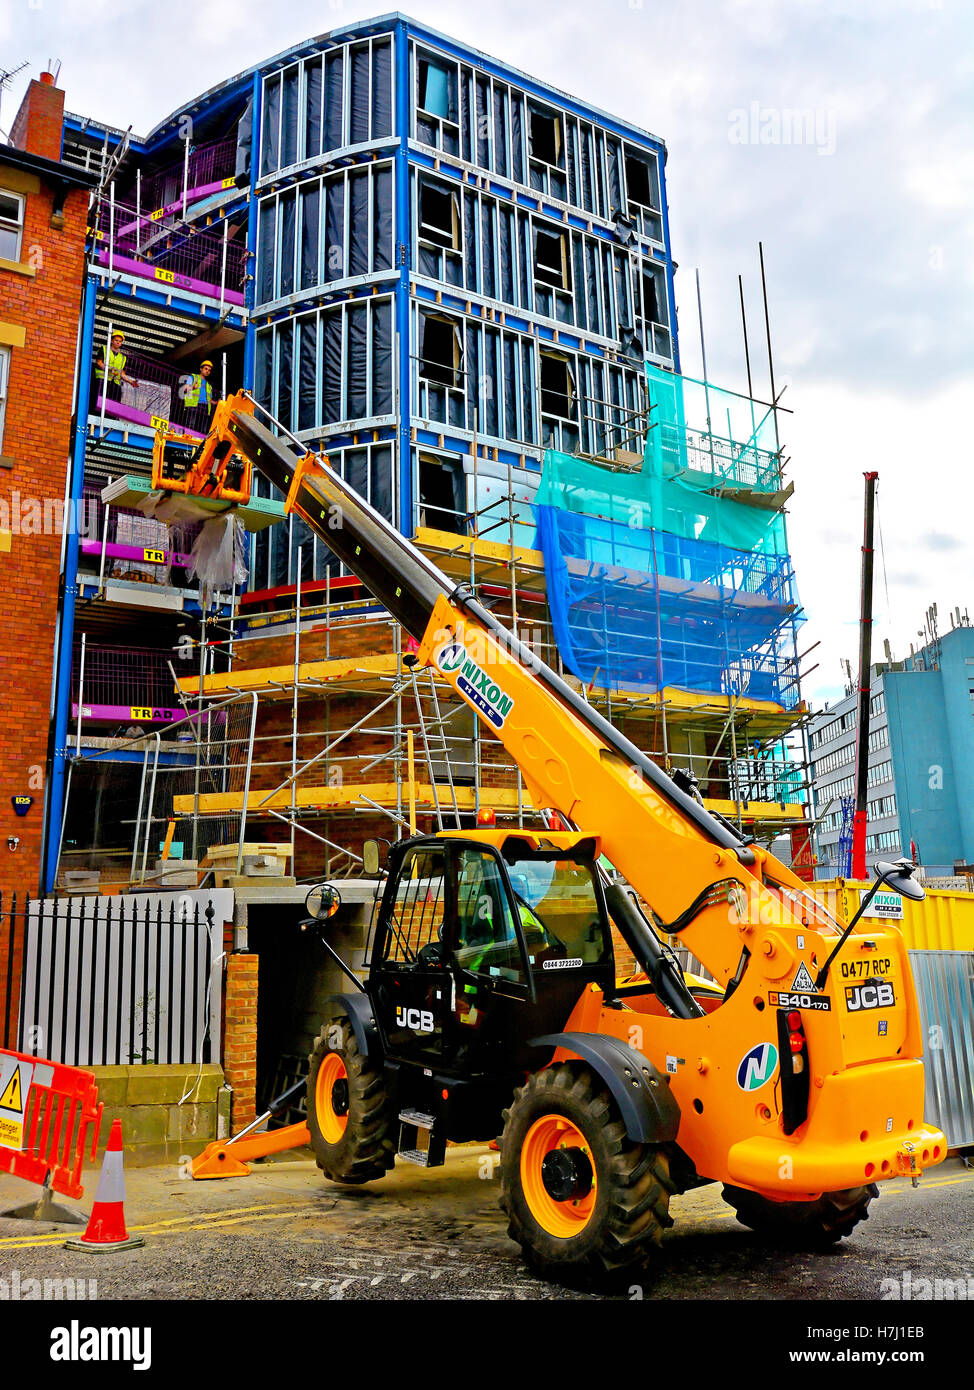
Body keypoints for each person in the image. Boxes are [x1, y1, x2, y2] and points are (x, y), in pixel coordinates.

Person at [95, 331, 138, 403]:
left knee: (114, 403)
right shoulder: (104, 349)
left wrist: (131, 382)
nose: (118, 342)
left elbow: (122, 373)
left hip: (115, 384)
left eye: (120, 341)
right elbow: (99, 362)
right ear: (112, 341)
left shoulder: (123, 357)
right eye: (116, 340)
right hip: (102, 380)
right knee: (99, 402)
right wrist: (108, 370)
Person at [183, 359, 214, 432]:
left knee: (202, 429)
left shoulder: (208, 385)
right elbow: (185, 389)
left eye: (209, 370)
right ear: (201, 369)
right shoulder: (193, 377)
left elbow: (209, 399)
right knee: (190, 426)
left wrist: (216, 402)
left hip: (204, 408)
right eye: (206, 369)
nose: (207, 371)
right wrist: (193, 387)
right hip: (193, 405)